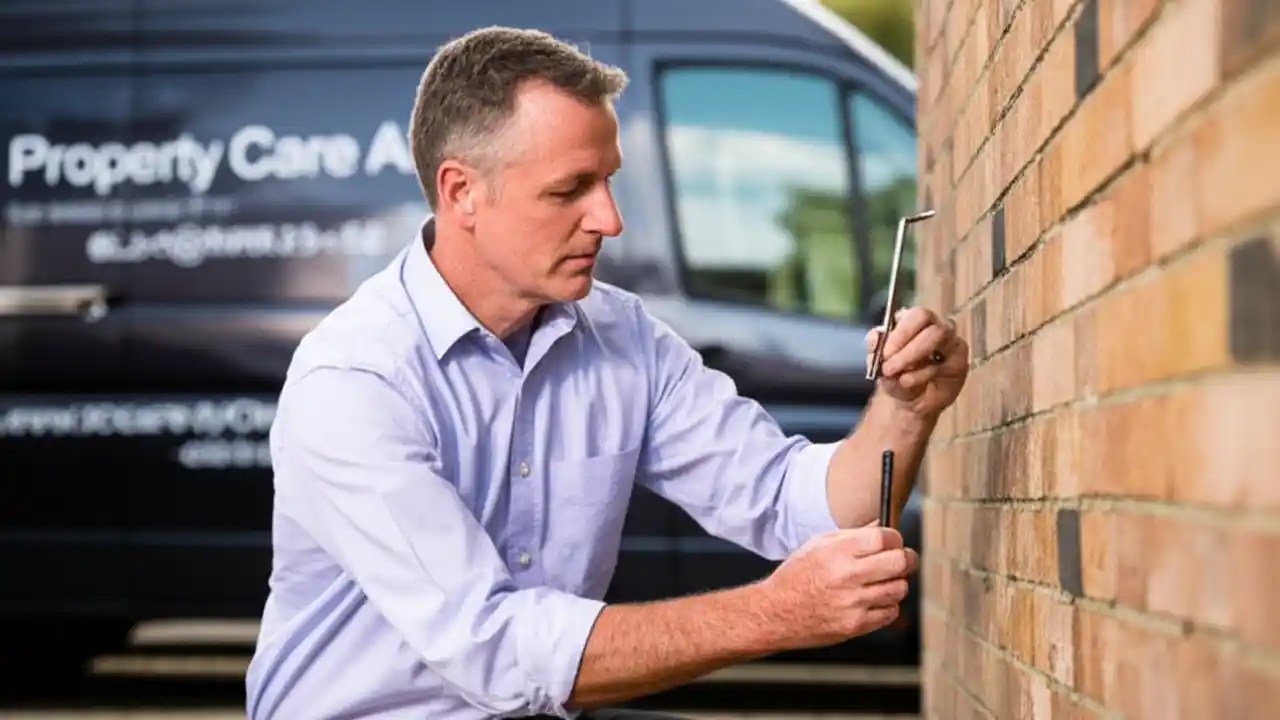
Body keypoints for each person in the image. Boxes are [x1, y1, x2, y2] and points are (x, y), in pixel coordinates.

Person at [243, 25, 969, 720]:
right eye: (571, 190)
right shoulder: (355, 379)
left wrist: (905, 410)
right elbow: (491, 647)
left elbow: (798, 507)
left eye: (609, 181)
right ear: (461, 192)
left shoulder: (622, 338)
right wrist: (773, 613)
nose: (610, 220)